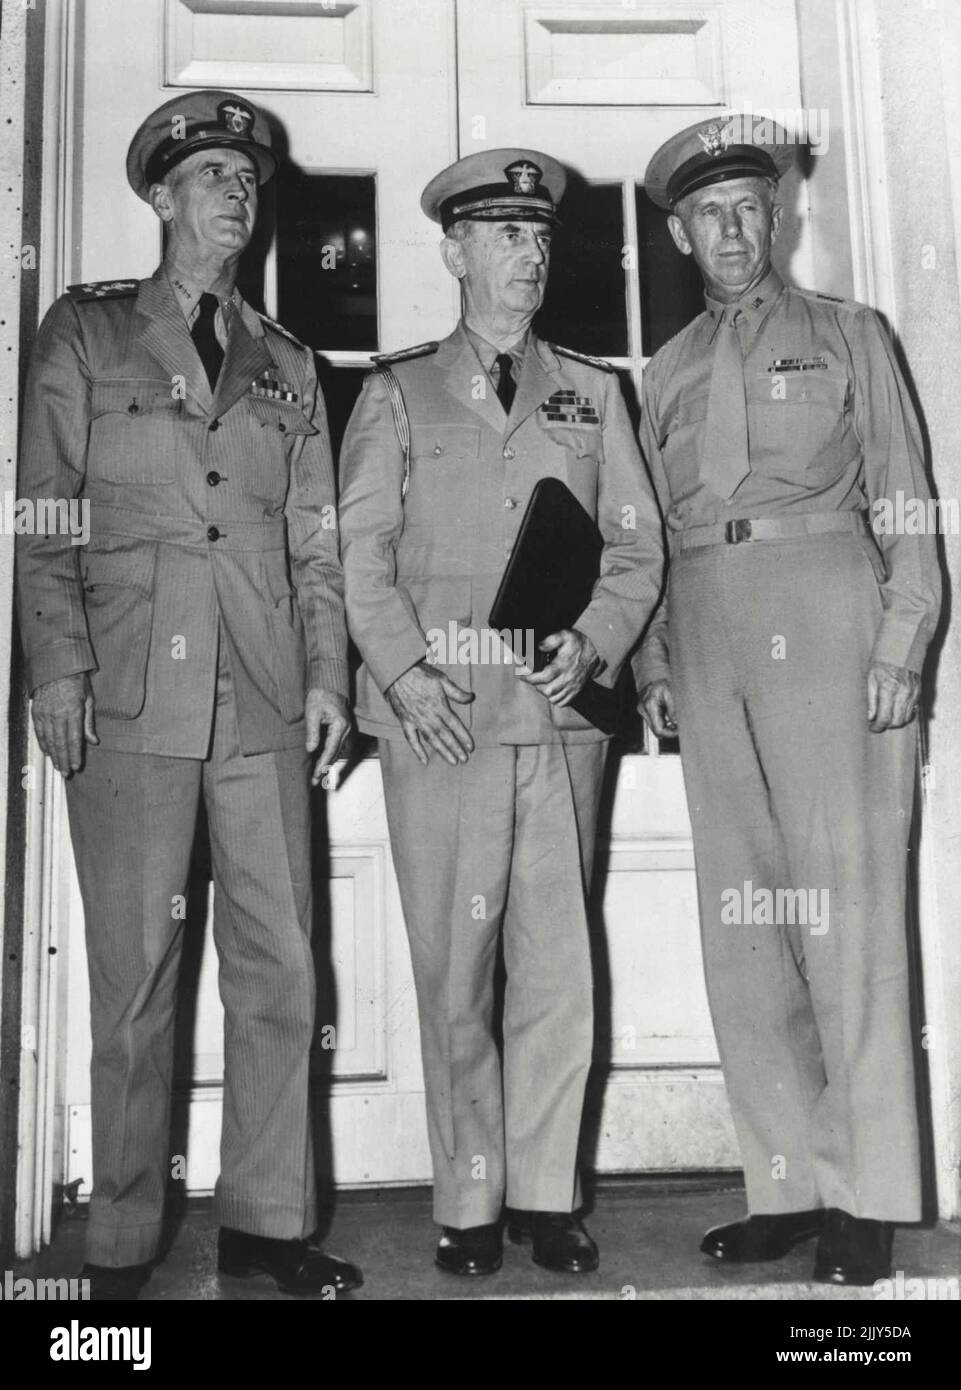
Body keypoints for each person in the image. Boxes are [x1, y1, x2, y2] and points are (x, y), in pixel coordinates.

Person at [17, 89, 362, 1300]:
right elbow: (45, 512)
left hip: (264, 694)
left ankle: (270, 1222)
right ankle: (120, 1237)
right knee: (136, 977)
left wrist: (329, 675)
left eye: (246, 180)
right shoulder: (87, 335)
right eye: (211, 175)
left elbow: (316, 543)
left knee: (282, 964)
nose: (234, 194)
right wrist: (55, 665)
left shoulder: (288, 365)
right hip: (124, 690)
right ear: (160, 196)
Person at [338, 148, 663, 1277]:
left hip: (558, 722)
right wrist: (404, 676)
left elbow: (636, 546)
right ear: (455, 252)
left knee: (557, 970)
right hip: (442, 725)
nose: (529, 256)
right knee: (455, 971)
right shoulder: (396, 392)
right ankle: (468, 1202)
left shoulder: (594, 391)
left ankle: (545, 1194)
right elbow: (357, 560)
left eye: (538, 237)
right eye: (504, 236)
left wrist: (600, 639)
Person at [632, 116, 941, 1285]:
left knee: (846, 916)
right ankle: (784, 1186)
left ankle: (862, 1194)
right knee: (746, 925)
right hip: (708, 630)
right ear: (678, 229)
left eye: (750, 206)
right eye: (709, 211)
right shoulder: (658, 373)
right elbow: (652, 536)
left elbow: (906, 500)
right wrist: (656, 663)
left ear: (778, 217)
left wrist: (902, 640)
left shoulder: (849, 337)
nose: (731, 228)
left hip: (827, 615)